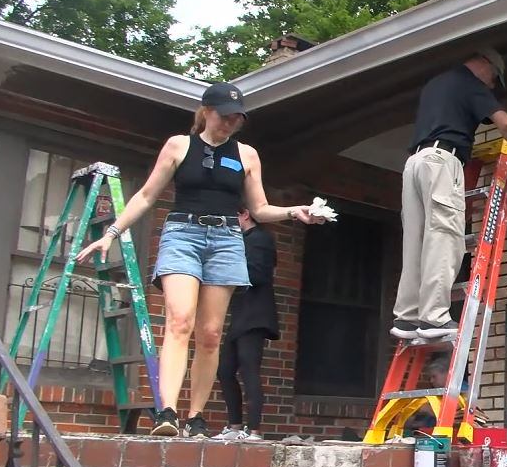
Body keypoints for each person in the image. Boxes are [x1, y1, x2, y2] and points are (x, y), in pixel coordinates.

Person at [76, 82, 325, 437]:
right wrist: (111, 233)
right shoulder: (179, 145)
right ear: (207, 111)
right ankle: (166, 412)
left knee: (209, 334)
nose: (229, 124)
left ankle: (195, 417)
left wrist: (293, 211)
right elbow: (147, 195)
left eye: (236, 118)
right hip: (183, 235)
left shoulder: (247, 154)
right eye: (224, 116)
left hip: (226, 239)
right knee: (180, 321)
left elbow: (259, 209)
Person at [390, 48, 507, 341]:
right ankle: (434, 319)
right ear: (484, 65)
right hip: (443, 161)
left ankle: (406, 318)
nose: (491, 86)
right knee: (444, 238)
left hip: (414, 164)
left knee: (415, 241)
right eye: (493, 79)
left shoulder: (436, 84)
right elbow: (505, 123)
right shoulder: (470, 83)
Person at [213, 207, 278, 441]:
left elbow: (259, 274)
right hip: (240, 313)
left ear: (245, 214)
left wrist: (229, 267)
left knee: (249, 369)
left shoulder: (260, 238)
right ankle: (234, 427)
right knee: (225, 370)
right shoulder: (242, 239)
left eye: (234, 217)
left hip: (255, 313)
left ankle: (254, 431)